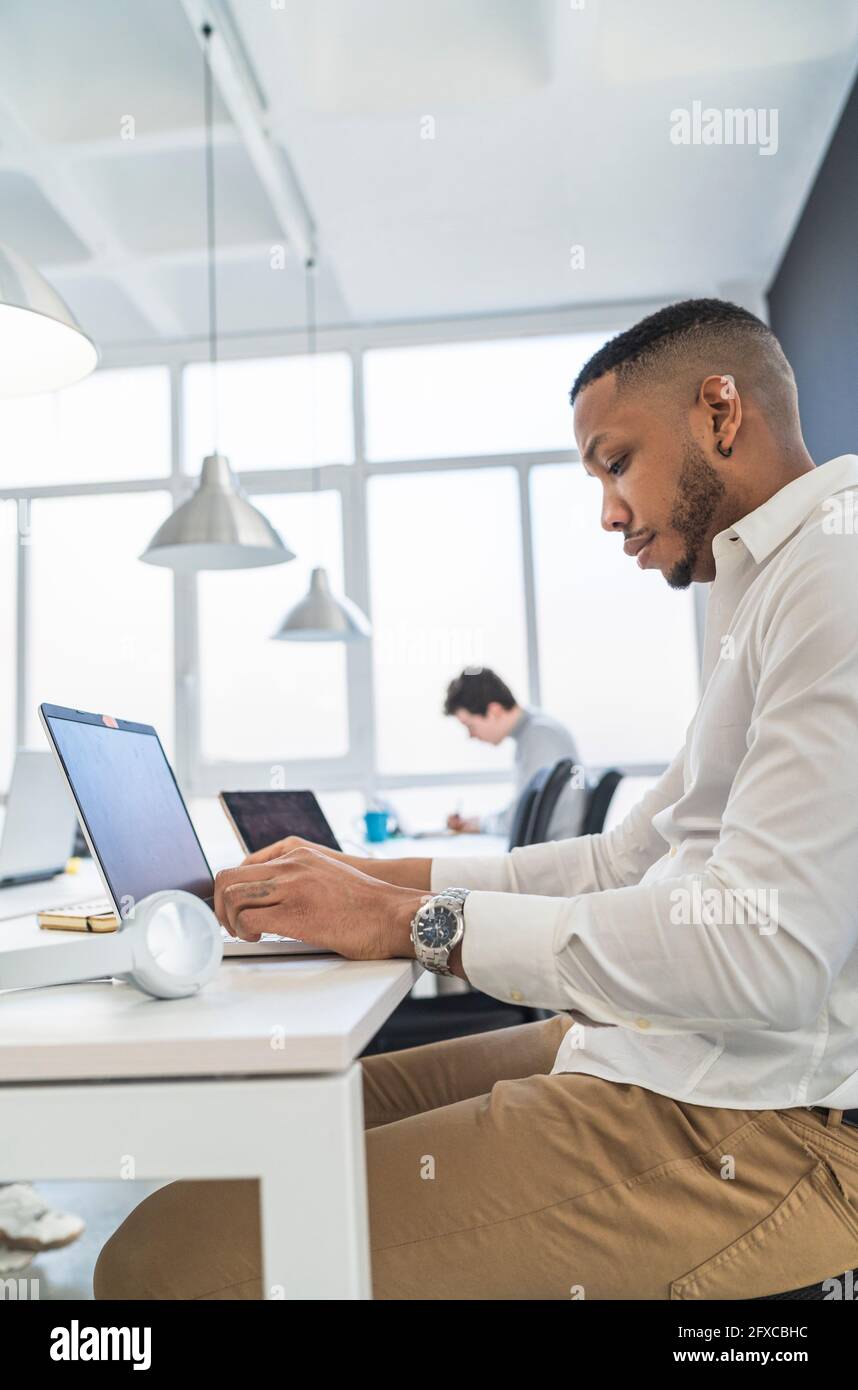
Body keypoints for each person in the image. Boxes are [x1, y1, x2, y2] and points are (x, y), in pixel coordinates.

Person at [94, 299, 858, 1301]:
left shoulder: (835, 577)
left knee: (164, 1267)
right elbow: (619, 862)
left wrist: (416, 921)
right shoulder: (766, 586)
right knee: (265, 1130)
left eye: (616, 461)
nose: (609, 513)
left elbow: (765, 953)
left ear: (722, 411)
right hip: (657, 1049)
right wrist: (360, 881)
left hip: (762, 1122)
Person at [443, 667, 584, 839]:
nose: (471, 735)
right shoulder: (536, 730)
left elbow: (522, 818)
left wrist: (482, 824)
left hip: (555, 852)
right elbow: (523, 810)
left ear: (494, 711)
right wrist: (479, 822)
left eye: (470, 725)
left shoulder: (538, 737)